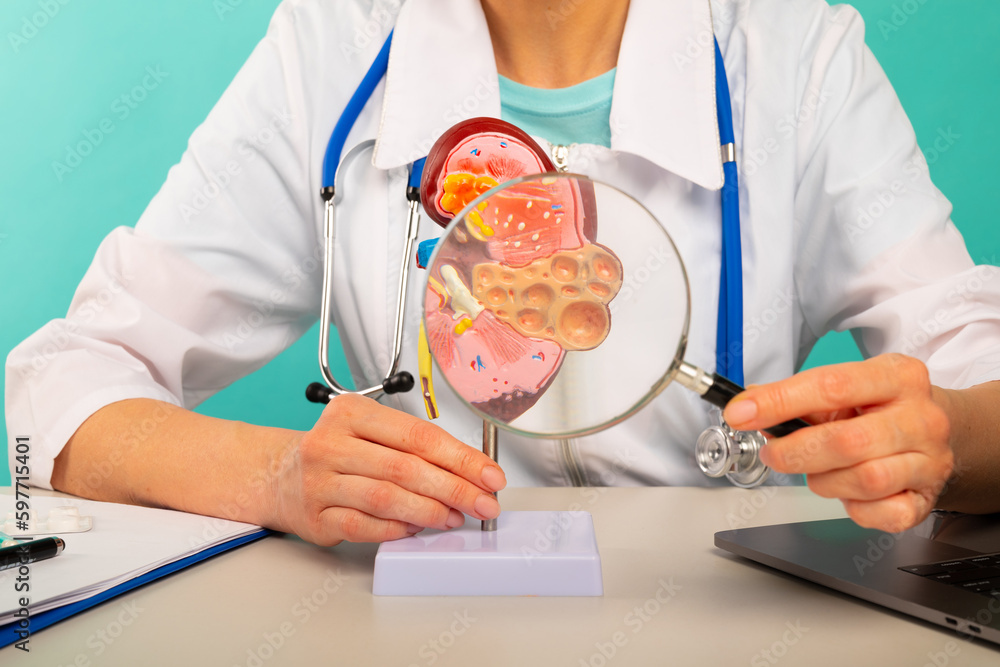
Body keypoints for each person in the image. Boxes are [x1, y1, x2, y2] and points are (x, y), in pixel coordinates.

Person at [6, 0, 1000, 547]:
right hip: (414, 629)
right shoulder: (331, 50)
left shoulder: (795, 58)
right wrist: (278, 477)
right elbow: (50, 390)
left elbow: (983, 385)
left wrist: (940, 438)